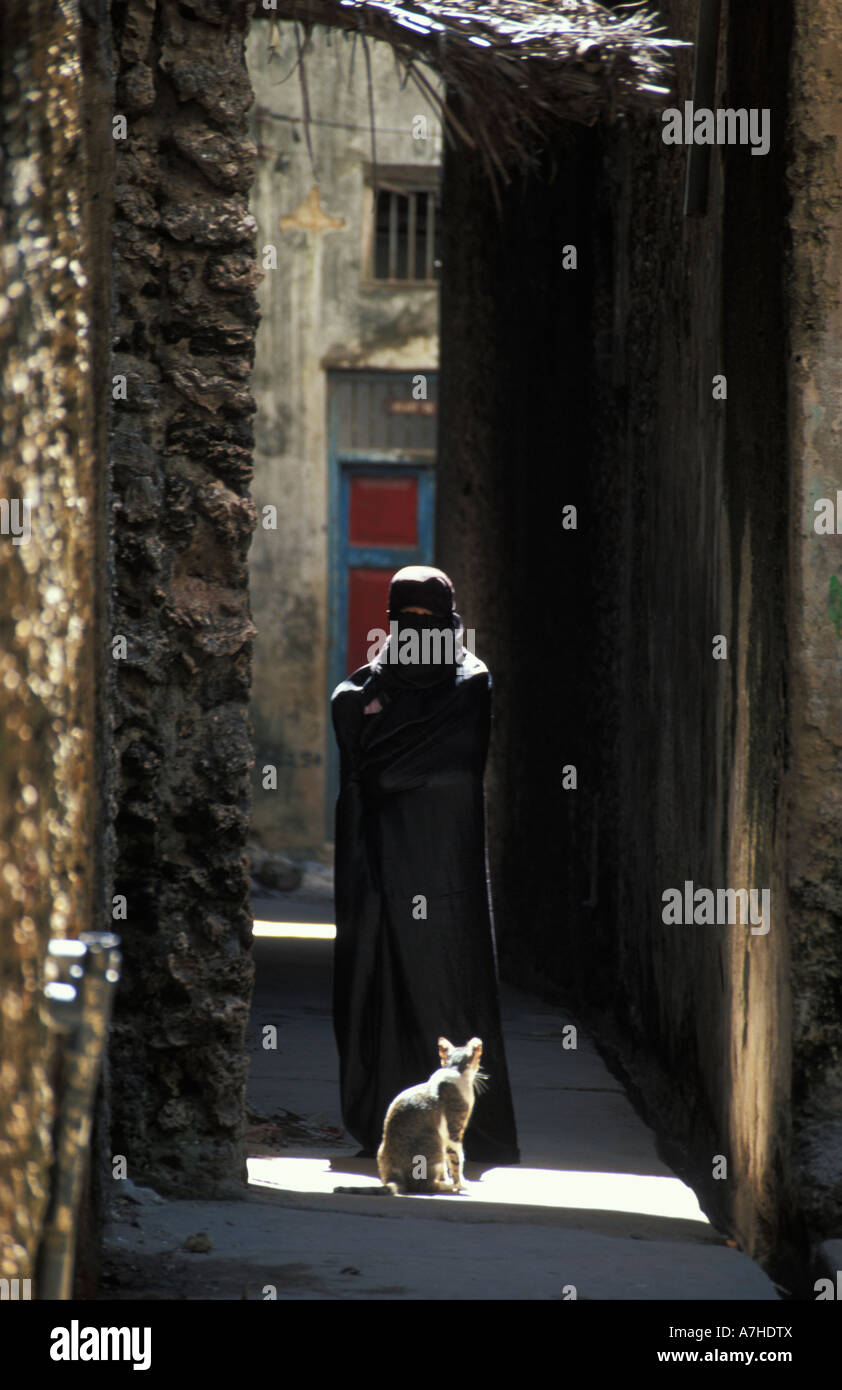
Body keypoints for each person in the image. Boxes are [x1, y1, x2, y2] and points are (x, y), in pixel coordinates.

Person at [330, 564, 520, 1164]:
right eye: (405, 620)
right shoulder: (360, 691)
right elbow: (369, 761)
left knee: (443, 981)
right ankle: (390, 1122)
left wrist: (381, 755)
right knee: (377, 980)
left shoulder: (471, 684)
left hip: (442, 869)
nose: (417, 631)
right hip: (381, 860)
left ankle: (460, 1126)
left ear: (450, 623)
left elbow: (415, 766)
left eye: (428, 621)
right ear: (390, 622)